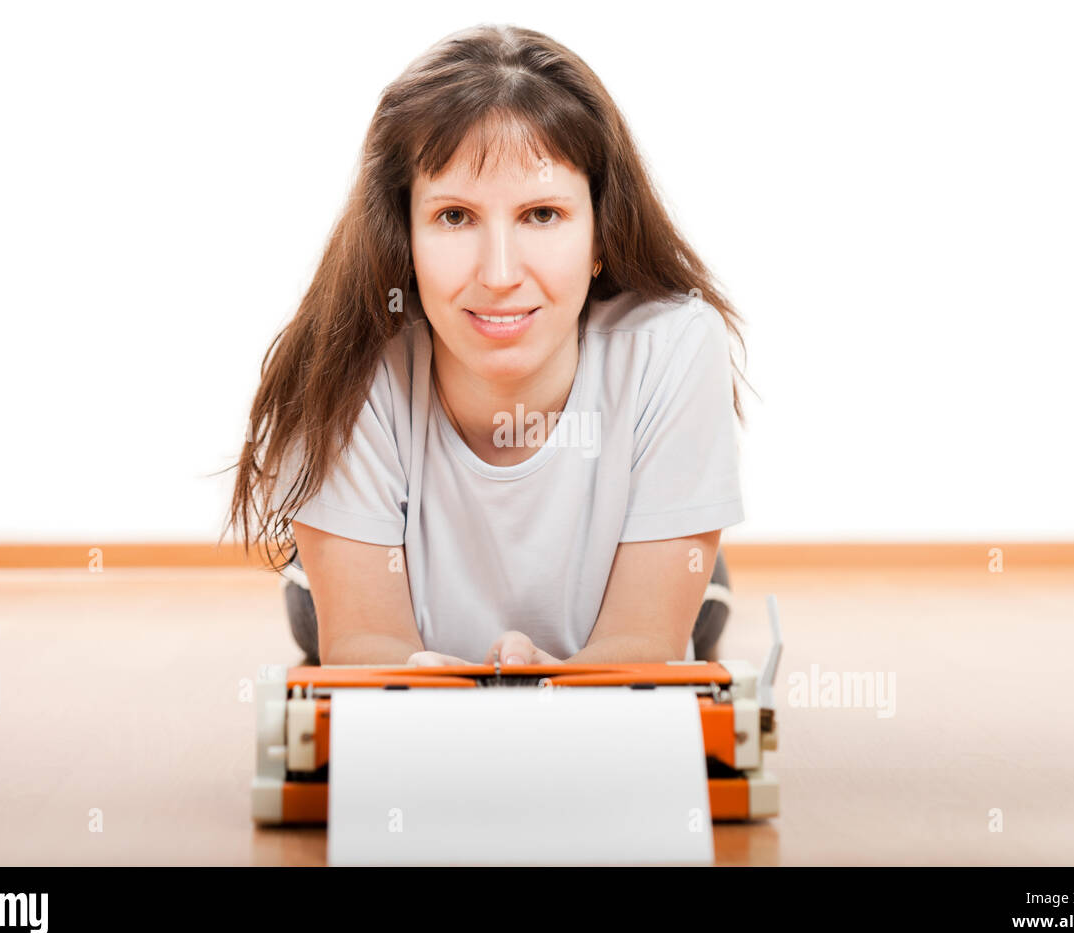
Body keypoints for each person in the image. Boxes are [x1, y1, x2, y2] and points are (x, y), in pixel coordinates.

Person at [225, 24, 752, 667]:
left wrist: (549, 689)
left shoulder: (673, 345)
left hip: (620, 568)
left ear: (601, 234)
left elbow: (639, 651)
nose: (499, 276)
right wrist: (429, 687)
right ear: (405, 237)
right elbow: (368, 649)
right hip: (394, 583)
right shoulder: (350, 356)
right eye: (454, 217)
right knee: (315, 613)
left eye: (542, 215)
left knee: (703, 607)